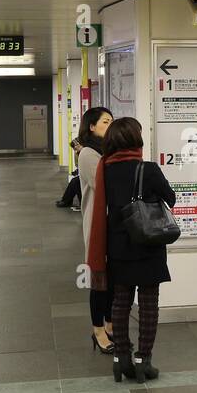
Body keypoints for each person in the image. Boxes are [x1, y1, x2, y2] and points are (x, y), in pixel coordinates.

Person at [86, 117, 176, 383]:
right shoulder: (147, 169)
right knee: (148, 305)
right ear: (136, 140)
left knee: (120, 303)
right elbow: (169, 198)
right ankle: (143, 361)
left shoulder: (106, 168)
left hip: (118, 247)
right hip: (148, 245)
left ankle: (121, 358)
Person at [76, 107, 115, 353]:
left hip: (113, 223)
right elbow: (105, 184)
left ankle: (111, 326)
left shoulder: (107, 150)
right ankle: (98, 330)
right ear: (91, 126)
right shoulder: (89, 153)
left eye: (112, 121)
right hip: (97, 223)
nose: (109, 125)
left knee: (113, 279)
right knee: (99, 279)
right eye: (105, 121)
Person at [55, 138, 83, 210]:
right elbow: (78, 165)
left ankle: (79, 203)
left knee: (76, 182)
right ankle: (66, 201)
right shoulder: (78, 153)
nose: (76, 147)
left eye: (77, 145)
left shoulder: (86, 152)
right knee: (74, 181)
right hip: (83, 174)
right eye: (74, 147)